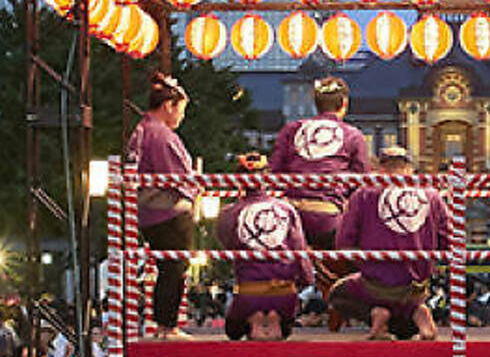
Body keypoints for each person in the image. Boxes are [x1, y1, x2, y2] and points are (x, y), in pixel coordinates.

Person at [329, 146, 450, 342]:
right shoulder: (433, 196)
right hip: (417, 287)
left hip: (375, 285)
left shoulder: (363, 194)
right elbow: (448, 241)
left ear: (380, 168)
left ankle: (378, 315)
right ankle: (418, 312)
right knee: (405, 322)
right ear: (409, 169)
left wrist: (365, 265)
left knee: (337, 294)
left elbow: (343, 243)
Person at [269, 75, 371, 297]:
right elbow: (362, 182)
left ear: (315, 103)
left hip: (290, 218)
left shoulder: (291, 130)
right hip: (328, 218)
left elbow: (274, 173)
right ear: (344, 104)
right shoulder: (353, 135)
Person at [127, 72, 197, 339]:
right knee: (174, 267)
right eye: (180, 110)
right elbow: (177, 176)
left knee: (169, 267)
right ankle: (167, 326)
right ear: (168, 105)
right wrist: (194, 191)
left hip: (149, 210)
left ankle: (164, 325)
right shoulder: (159, 134)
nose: (181, 116)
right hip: (166, 209)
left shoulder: (143, 130)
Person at [217, 153, 312, 341]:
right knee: (287, 327)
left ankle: (254, 317)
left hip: (248, 291)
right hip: (285, 291)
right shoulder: (287, 209)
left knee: (233, 331)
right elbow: (300, 250)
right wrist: (306, 280)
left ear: (239, 180)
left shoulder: (229, 213)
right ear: (267, 178)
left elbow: (227, 244)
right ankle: (277, 316)